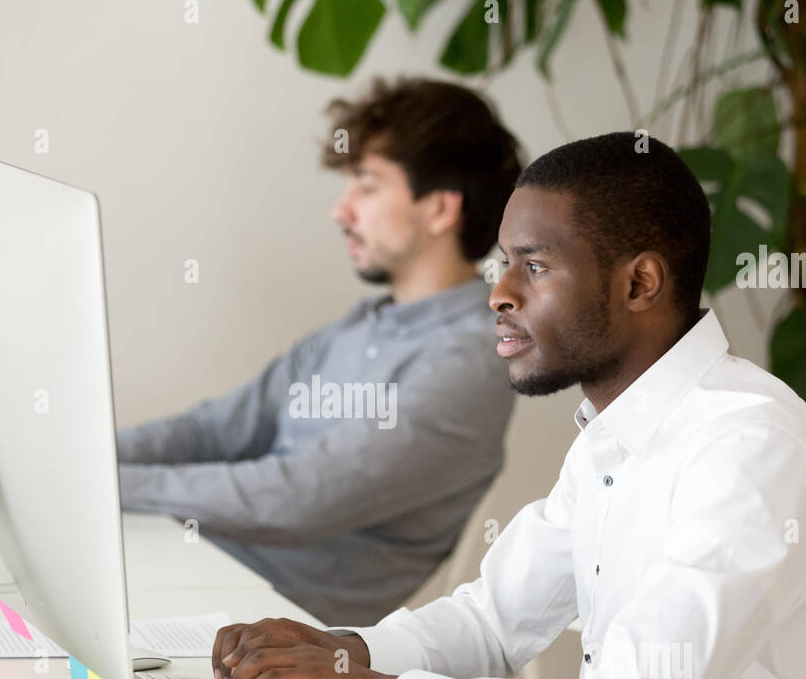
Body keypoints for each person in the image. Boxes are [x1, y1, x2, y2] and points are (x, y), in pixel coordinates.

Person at [210, 132, 806, 679]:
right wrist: (343, 653)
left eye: (535, 266)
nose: (498, 293)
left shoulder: (748, 448)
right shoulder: (615, 436)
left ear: (639, 283)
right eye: (502, 264)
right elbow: (491, 622)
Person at [118, 78, 522, 627]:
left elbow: (297, 500)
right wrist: (83, 458)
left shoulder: (470, 360)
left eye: (367, 186)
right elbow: (213, 432)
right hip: (196, 570)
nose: (341, 211)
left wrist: (102, 483)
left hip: (263, 625)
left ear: (440, 209)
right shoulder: (359, 327)